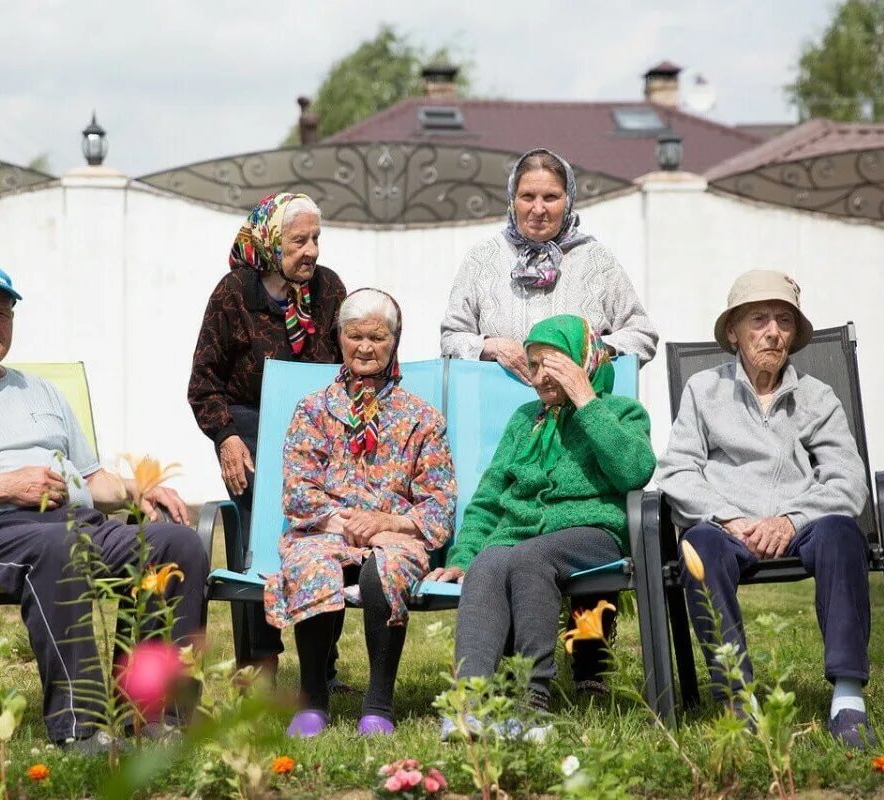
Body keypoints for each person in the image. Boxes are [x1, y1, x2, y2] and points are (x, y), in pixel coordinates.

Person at [0, 261, 208, 753]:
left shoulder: (41, 391)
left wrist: (139, 491)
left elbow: (92, 479)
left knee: (177, 542)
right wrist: (6, 486)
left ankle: (157, 716)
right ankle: (82, 728)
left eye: (2, 313)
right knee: (61, 546)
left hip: (74, 521)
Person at [440, 147, 659, 695]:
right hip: (514, 419)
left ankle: (565, 681)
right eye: (527, 196)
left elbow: (642, 336)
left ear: (569, 200)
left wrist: (586, 371)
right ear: (511, 200)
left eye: (551, 196)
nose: (538, 208)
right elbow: (450, 337)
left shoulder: (596, 262)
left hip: (586, 459)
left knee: (537, 556)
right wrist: (493, 348)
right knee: (498, 558)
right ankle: (472, 699)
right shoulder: (484, 260)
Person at [654, 269, 875, 748]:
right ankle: (738, 697)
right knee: (698, 547)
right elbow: (678, 472)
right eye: (759, 319)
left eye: (784, 321)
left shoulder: (817, 396)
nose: (773, 332)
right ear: (733, 331)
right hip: (727, 525)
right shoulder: (703, 390)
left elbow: (847, 479)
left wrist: (790, 520)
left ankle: (848, 696)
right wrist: (727, 517)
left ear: (794, 336)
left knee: (842, 533)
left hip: (799, 524)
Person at [428, 314, 656, 737]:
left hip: (591, 534)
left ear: (584, 360)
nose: (541, 375)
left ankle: (530, 706)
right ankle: (467, 709)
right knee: (489, 563)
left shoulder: (620, 412)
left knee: (530, 557)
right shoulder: (524, 419)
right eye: (534, 365)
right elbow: (491, 496)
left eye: (554, 363)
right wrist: (464, 554)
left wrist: (586, 401)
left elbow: (634, 471)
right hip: (520, 535)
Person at [264, 289, 456, 738]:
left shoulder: (422, 419)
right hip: (324, 531)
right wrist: (358, 529)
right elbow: (299, 495)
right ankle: (312, 701)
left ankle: (379, 705)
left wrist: (390, 525)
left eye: (377, 337)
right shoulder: (312, 410)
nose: (365, 348)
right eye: (355, 337)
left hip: (396, 538)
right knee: (311, 564)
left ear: (395, 342)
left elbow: (439, 505)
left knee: (384, 572)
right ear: (340, 339)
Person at [188, 192, 347, 686]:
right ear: (270, 242)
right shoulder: (234, 293)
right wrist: (227, 438)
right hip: (252, 425)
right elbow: (203, 383)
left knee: (329, 525)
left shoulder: (329, 291)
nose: (312, 251)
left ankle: (321, 663)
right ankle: (261, 660)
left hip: (321, 429)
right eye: (299, 240)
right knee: (266, 526)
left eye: (316, 238)